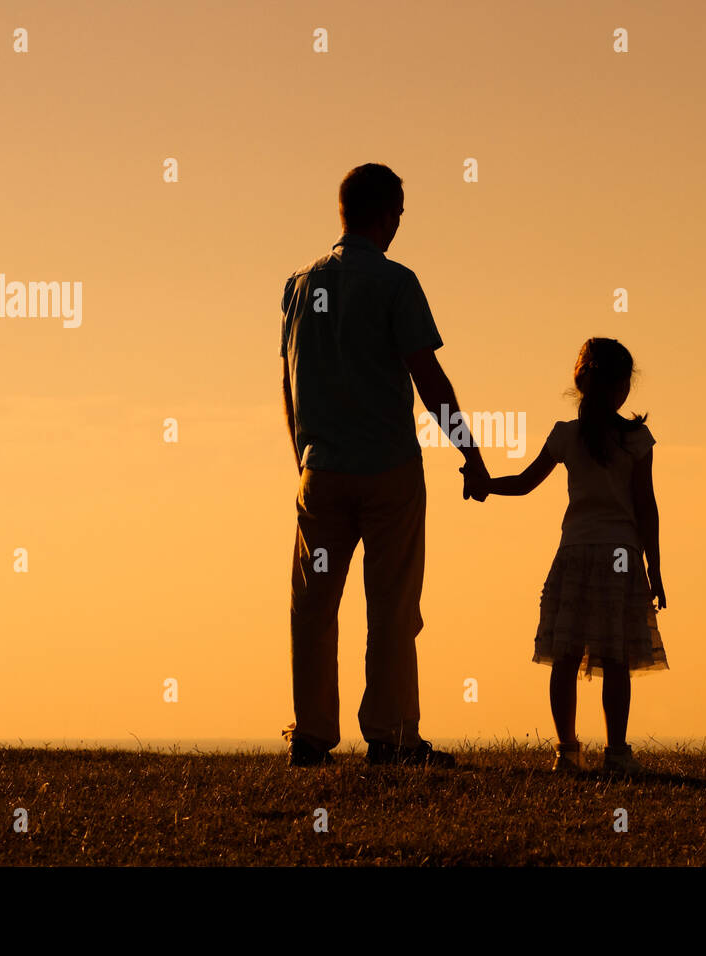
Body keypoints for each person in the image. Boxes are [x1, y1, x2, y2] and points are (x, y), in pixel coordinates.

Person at [280, 163, 489, 768]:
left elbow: (288, 384)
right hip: (389, 469)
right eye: (399, 210)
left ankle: (313, 735)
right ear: (385, 212)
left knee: (314, 606)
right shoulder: (398, 283)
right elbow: (430, 381)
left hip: (320, 469)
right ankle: (393, 735)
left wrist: (304, 456)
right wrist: (470, 454)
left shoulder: (299, 286)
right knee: (392, 607)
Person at [462, 338, 667, 775]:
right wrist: (655, 568)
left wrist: (485, 485)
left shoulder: (568, 435)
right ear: (617, 386)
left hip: (575, 553)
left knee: (566, 654)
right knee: (616, 660)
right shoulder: (634, 439)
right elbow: (646, 506)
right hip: (620, 556)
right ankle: (616, 753)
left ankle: (567, 751)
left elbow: (522, 482)